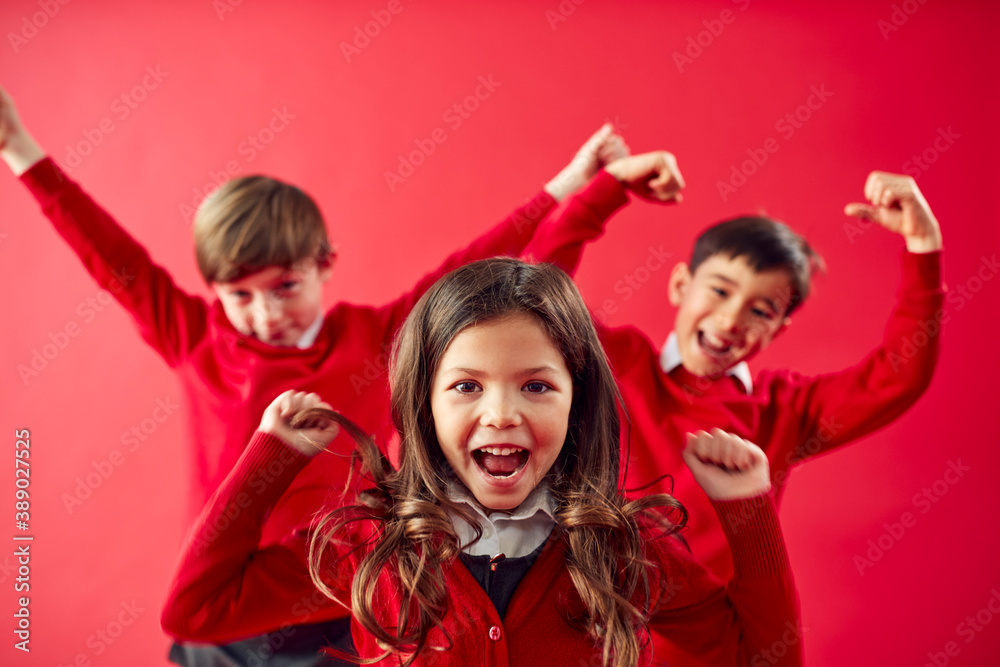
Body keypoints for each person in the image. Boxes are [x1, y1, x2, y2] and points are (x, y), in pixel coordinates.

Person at [0, 82, 627, 665]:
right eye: (239, 295)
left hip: (343, 602)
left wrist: (571, 182)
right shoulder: (195, 338)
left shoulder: (376, 338)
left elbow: (481, 264)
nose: (265, 313)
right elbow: (110, 255)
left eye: (285, 287)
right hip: (231, 614)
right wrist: (20, 148)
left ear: (324, 264)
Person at [161, 258, 802, 666]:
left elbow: (765, 659)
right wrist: (267, 461)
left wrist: (749, 508)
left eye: (537, 386)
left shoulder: (624, 550)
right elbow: (197, 611)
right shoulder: (369, 541)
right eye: (467, 387)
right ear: (423, 407)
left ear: (578, 403)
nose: (501, 415)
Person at [524, 153, 943, 664]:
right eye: (720, 290)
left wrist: (924, 247)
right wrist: (608, 189)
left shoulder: (783, 410)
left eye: (760, 310)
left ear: (779, 329)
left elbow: (897, 376)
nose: (729, 318)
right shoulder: (618, 366)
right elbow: (538, 289)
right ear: (681, 284)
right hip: (590, 635)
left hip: (707, 649)